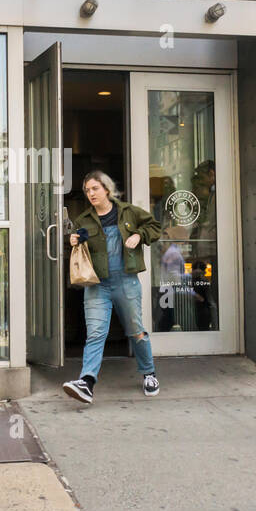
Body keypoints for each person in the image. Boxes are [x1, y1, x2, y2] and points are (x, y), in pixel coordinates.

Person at [63, 170, 162, 403]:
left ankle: (149, 373)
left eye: (95, 189)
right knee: (96, 333)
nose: (91, 194)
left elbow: (155, 227)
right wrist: (73, 241)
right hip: (97, 284)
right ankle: (86, 382)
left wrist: (138, 234)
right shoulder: (84, 219)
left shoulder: (128, 212)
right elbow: (79, 245)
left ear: (106, 189)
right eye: (87, 190)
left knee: (136, 331)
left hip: (126, 281)